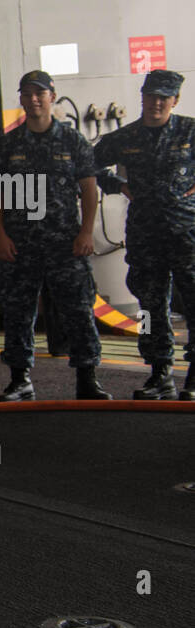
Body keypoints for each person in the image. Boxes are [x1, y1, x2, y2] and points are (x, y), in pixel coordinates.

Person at [0, 71, 109, 401]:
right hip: (20, 243)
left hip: (65, 243)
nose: (34, 99)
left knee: (79, 309)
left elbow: (89, 190)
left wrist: (86, 232)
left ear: (52, 96)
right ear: (22, 99)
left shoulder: (74, 142)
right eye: (27, 93)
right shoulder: (7, 146)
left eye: (40, 93)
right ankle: (19, 379)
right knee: (18, 312)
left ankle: (87, 378)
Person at [93, 69, 195, 399]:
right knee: (149, 310)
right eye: (151, 96)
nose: (156, 102)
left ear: (175, 100)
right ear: (142, 97)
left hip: (187, 234)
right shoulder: (126, 137)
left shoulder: (190, 131)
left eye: (164, 97)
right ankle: (159, 372)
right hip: (145, 235)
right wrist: (118, 185)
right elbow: (89, 164)